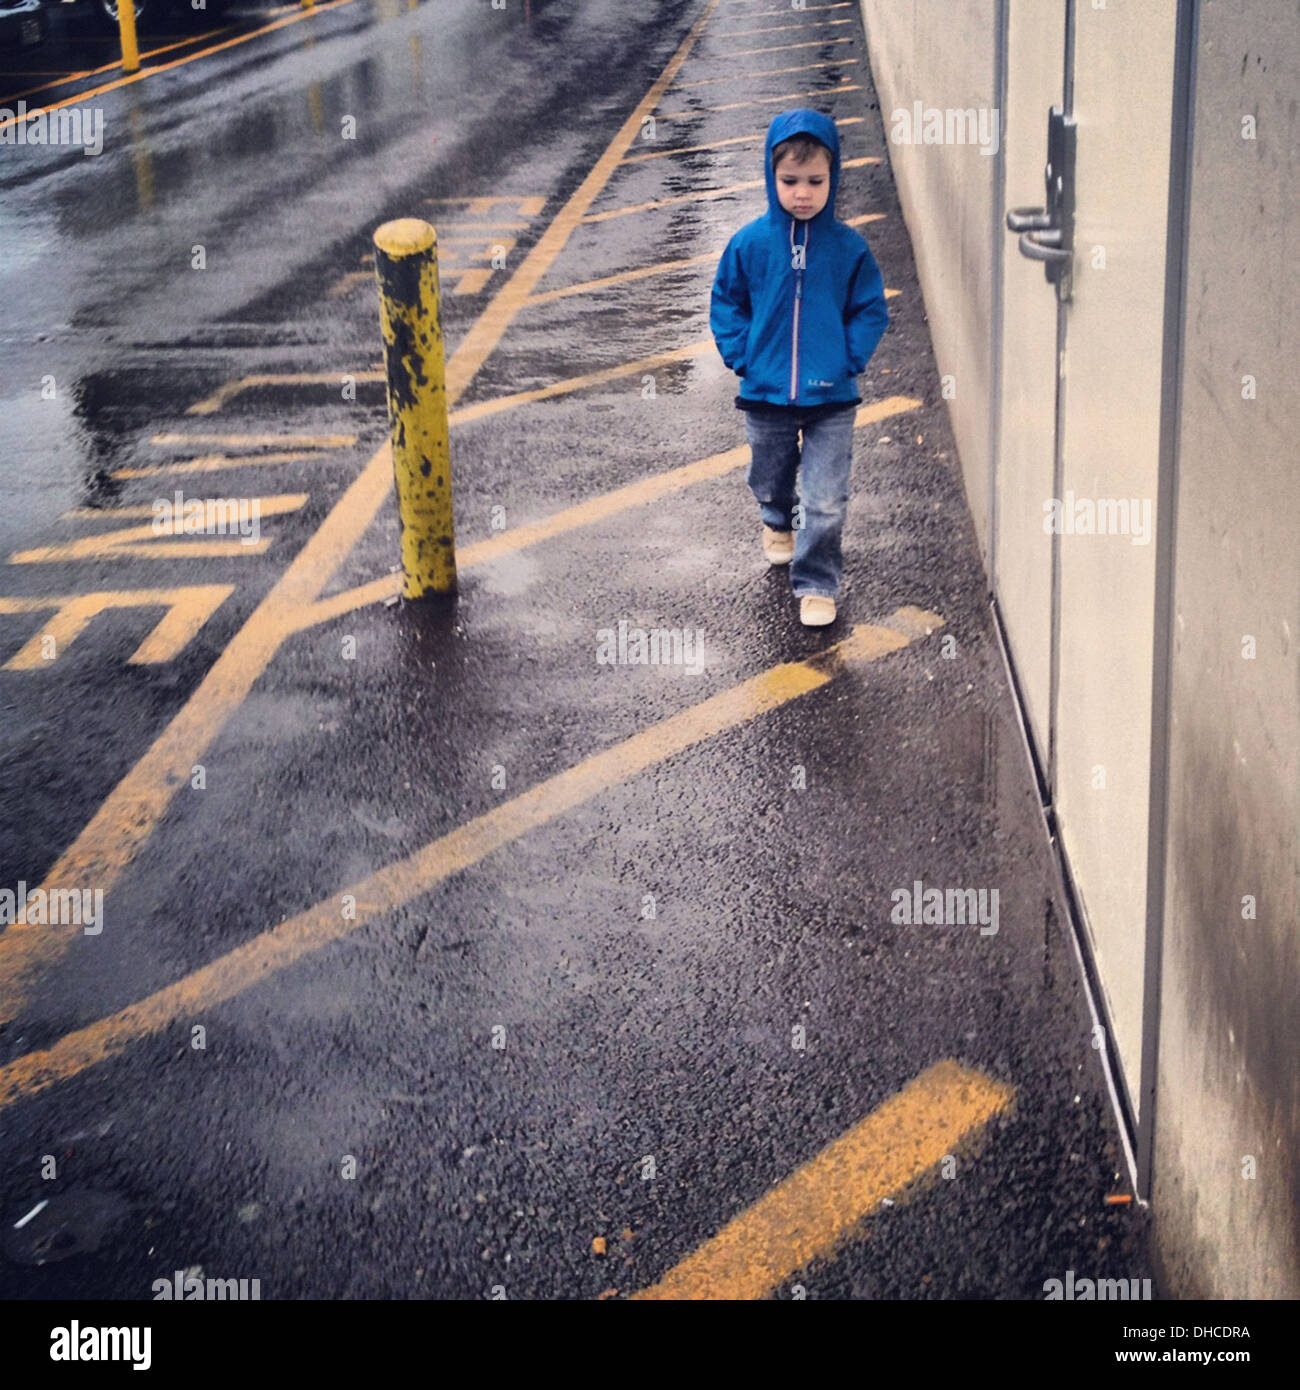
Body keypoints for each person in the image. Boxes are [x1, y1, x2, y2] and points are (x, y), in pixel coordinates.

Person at [710, 109, 890, 626]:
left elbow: (870, 309)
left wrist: (848, 358)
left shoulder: (848, 248)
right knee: (770, 476)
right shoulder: (750, 244)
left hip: (831, 397)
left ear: (833, 179)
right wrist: (743, 355)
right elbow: (727, 302)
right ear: (772, 178)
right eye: (790, 181)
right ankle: (775, 518)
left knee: (826, 497)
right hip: (765, 395)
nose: (803, 193)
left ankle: (816, 583)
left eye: (816, 181)